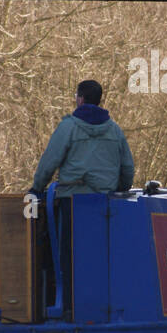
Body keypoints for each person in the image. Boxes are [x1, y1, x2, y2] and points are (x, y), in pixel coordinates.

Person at [28, 80, 134, 306]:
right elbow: (127, 169)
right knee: (101, 256)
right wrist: (121, 189)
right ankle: (100, 304)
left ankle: (68, 306)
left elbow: (50, 161)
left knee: (68, 256)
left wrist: (37, 188)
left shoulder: (69, 127)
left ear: (81, 99)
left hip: (72, 203)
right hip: (105, 205)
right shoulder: (115, 130)